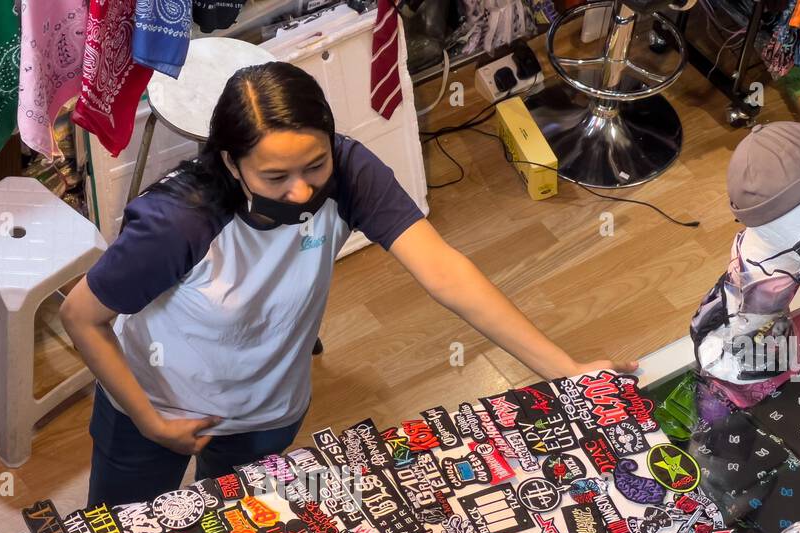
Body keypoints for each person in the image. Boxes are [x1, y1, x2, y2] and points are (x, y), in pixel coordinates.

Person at [61, 62, 635, 508]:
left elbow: (445, 272)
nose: (303, 191)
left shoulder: (350, 170)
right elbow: (82, 317)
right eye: (275, 177)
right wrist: (149, 421)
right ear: (232, 165)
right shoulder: (176, 221)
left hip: (267, 409)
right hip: (150, 404)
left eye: (314, 165)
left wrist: (566, 371)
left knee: (232, 530)